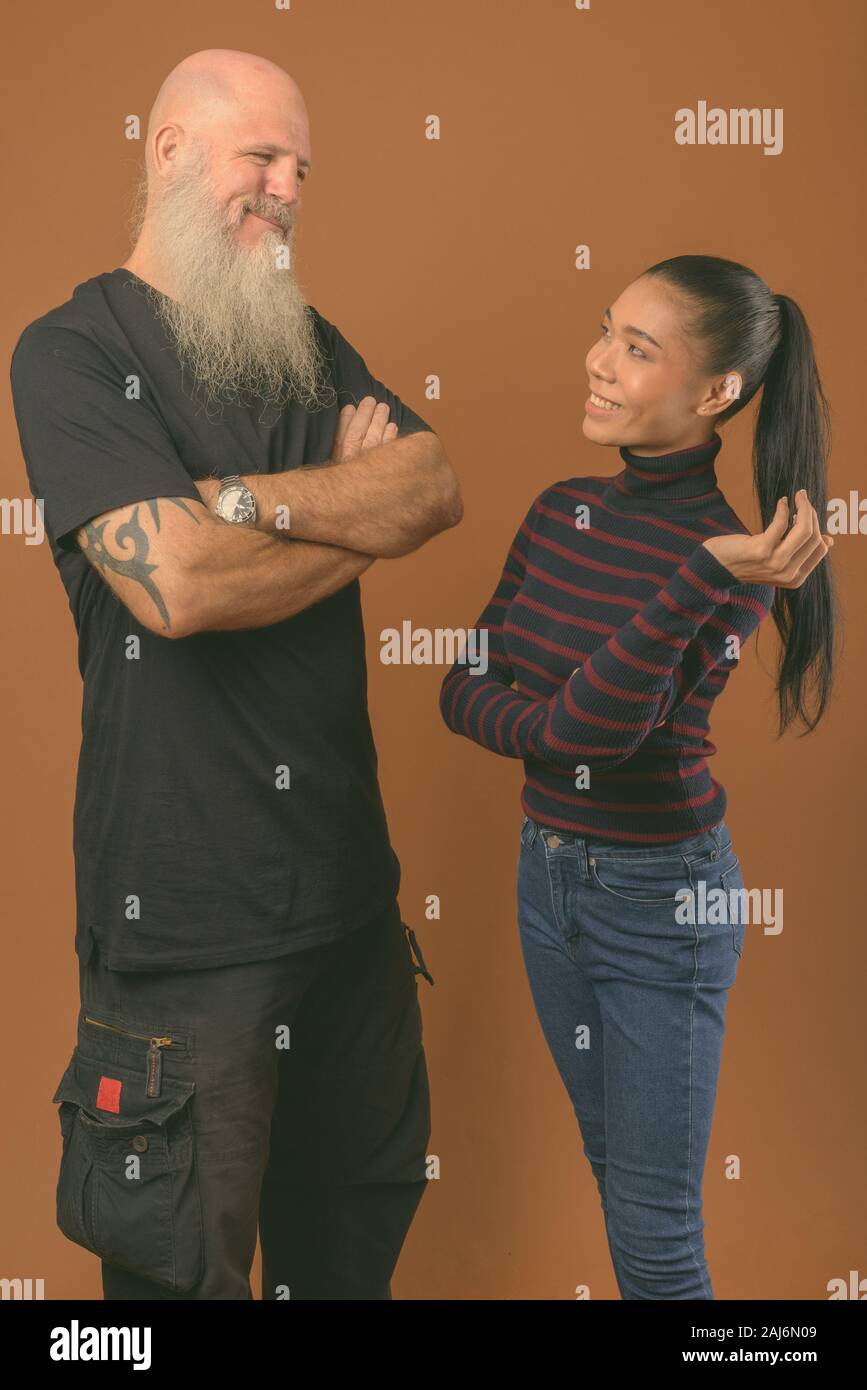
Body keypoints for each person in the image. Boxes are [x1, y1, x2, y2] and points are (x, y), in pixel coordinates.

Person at [11, 48, 462, 1300]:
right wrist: (343, 516)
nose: (287, 188)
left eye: (301, 167)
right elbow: (181, 587)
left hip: (348, 906)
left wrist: (238, 504)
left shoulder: (304, 345)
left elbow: (431, 487)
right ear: (167, 154)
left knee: (345, 1264)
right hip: (186, 924)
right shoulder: (71, 352)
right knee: (175, 1288)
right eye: (260, 157)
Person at [439, 255, 839, 1299]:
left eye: (636, 348)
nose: (598, 362)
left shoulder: (737, 564)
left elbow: (602, 734)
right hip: (549, 877)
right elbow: (462, 682)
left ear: (717, 395)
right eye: (605, 330)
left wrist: (703, 569)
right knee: (618, 1179)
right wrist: (539, 725)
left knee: (657, 1235)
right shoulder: (558, 507)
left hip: (662, 896)